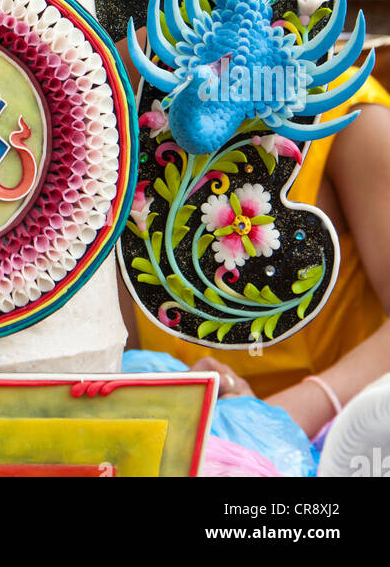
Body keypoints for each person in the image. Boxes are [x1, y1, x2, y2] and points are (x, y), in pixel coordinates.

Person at [122, 45, 390, 439]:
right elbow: (115, 344)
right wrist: (160, 392)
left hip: (336, 439)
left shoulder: (351, 119)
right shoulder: (112, 126)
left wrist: (283, 416)